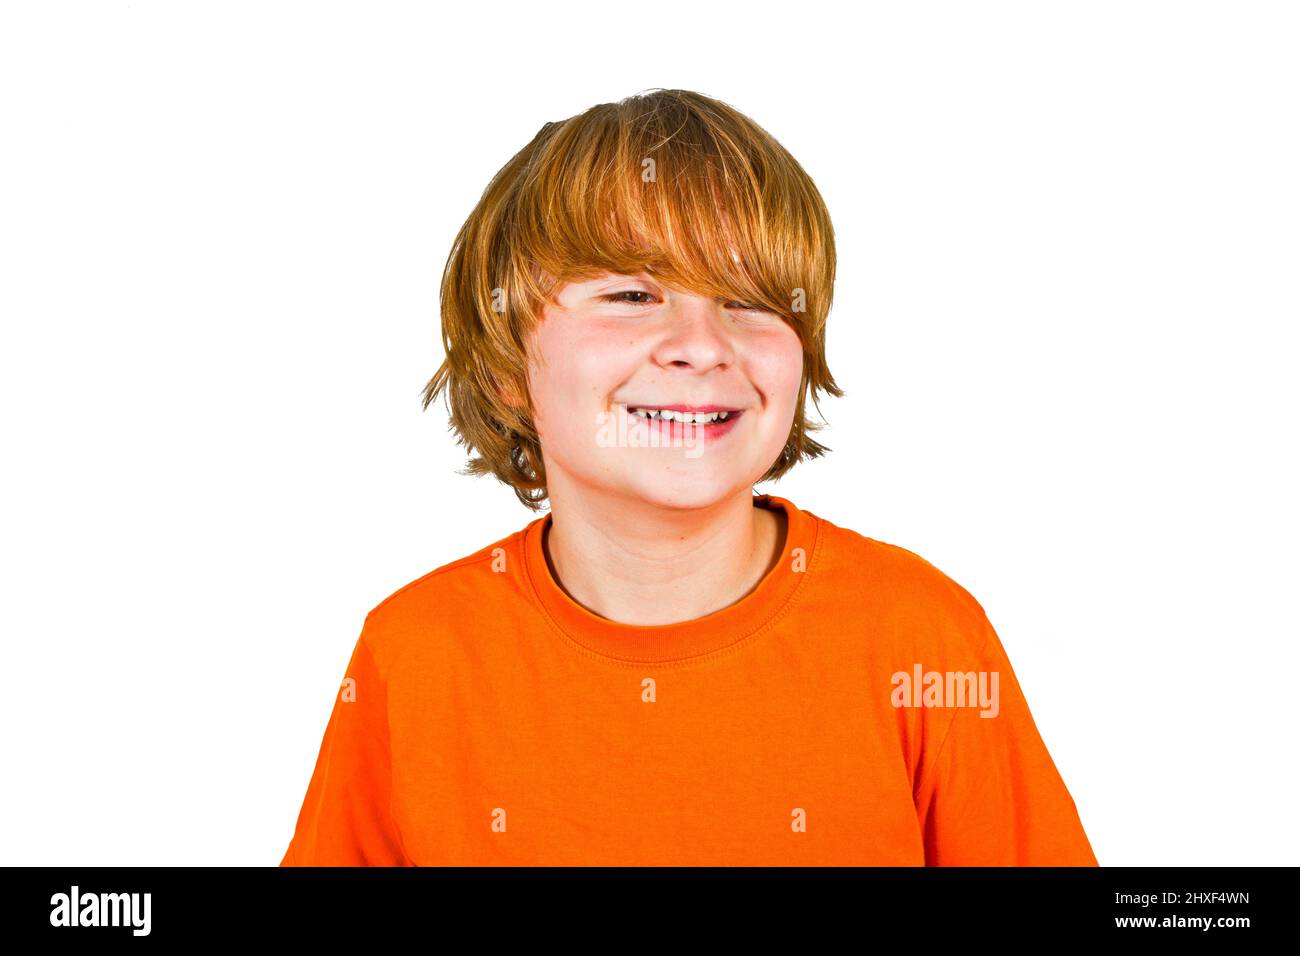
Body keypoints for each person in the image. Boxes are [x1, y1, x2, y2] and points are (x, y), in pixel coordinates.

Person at [279, 88, 1098, 866]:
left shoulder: (921, 636)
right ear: (505, 370)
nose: (702, 344)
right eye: (634, 293)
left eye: (749, 298)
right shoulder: (414, 656)